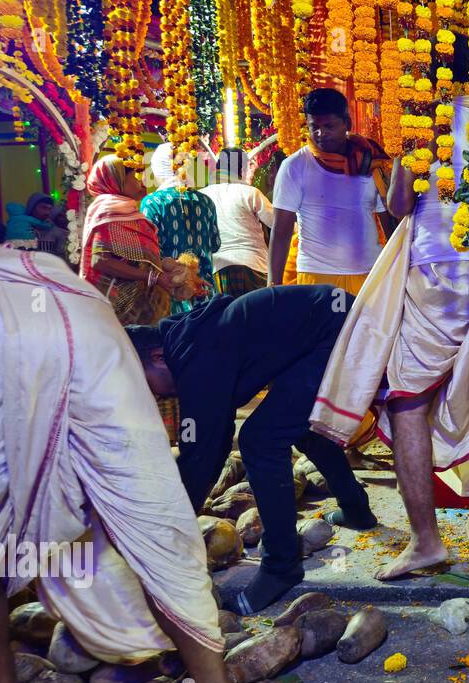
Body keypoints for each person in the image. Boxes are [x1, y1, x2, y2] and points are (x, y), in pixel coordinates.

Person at [0, 246, 286, 683]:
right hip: (77, 316)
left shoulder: (196, 346)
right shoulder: (75, 293)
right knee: (151, 514)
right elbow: (170, 481)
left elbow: (206, 441)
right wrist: (180, 503)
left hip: (16, 328)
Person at [311, 54, 469, 579]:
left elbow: (401, 205)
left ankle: (426, 542)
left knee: (406, 399)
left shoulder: (423, 118)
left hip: (433, 271)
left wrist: (407, 157)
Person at [126, 285, 378, 615]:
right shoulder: (184, 343)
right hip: (336, 322)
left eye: (143, 382)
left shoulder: (194, 358)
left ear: (157, 357)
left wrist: (170, 529)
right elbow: (205, 446)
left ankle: (281, 566)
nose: (152, 396)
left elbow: (203, 455)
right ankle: (356, 510)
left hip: (341, 330)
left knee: (260, 440)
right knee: (298, 427)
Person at [268, 89, 388, 293]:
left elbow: (390, 223)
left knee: (372, 326)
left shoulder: (371, 163)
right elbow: (281, 231)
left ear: (347, 124)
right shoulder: (295, 166)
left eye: (329, 126)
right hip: (318, 276)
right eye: (314, 127)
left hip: (371, 274)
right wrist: (273, 287)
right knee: (330, 326)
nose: (320, 134)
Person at [81, 153, 177, 325]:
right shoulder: (108, 210)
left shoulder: (129, 211)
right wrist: (151, 277)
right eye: (134, 176)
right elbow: (100, 261)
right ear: (116, 181)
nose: (140, 181)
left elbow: (138, 259)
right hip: (120, 309)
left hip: (144, 306)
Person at [140, 143, 221, 313]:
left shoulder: (152, 202)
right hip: (204, 293)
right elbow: (215, 244)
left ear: (159, 169)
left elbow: (148, 253)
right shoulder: (206, 201)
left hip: (171, 296)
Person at [202, 158, 275, 297]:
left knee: (228, 316)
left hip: (218, 270)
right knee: (259, 316)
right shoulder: (249, 192)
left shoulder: (202, 196)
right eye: (249, 167)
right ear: (240, 170)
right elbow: (279, 224)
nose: (252, 173)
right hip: (254, 266)